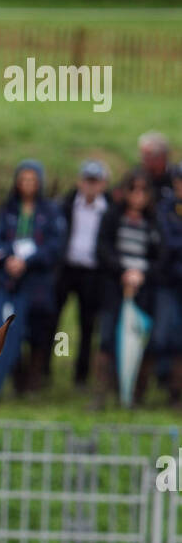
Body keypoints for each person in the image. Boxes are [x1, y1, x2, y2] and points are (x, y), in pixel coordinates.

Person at [0, 160, 65, 395]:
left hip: (38, 280)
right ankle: (14, 378)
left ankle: (34, 379)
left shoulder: (50, 211)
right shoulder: (8, 210)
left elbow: (55, 245)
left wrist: (29, 261)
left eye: (32, 180)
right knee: (11, 326)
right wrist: (10, 258)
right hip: (11, 279)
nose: (28, 184)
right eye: (24, 180)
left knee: (38, 329)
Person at [93, 169, 163, 408]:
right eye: (133, 189)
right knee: (107, 337)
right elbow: (103, 248)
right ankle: (101, 393)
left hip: (143, 288)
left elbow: (160, 256)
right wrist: (123, 271)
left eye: (143, 190)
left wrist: (141, 274)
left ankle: (133, 394)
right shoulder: (113, 216)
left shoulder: (154, 221)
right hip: (115, 285)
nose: (138, 195)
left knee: (140, 340)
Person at [51, 160, 109, 388]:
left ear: (103, 184)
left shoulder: (108, 208)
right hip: (67, 269)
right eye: (87, 181)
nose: (90, 186)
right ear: (80, 181)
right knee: (56, 320)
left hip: (93, 272)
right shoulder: (66, 203)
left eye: (95, 181)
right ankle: (50, 363)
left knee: (87, 324)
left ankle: (81, 374)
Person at [154, 163, 182, 403]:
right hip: (167, 282)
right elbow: (166, 242)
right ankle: (161, 378)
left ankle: (175, 391)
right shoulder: (165, 207)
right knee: (163, 334)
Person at [137, 132, 173, 200]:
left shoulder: (175, 178)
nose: (142, 161)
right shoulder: (136, 177)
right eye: (142, 156)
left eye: (147, 157)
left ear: (162, 157)